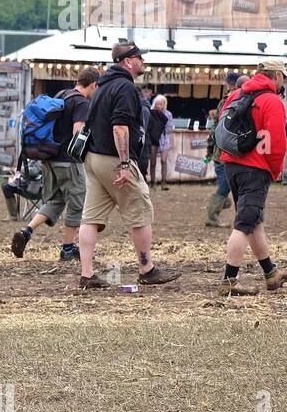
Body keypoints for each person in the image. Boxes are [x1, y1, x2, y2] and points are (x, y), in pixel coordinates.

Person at [76, 42, 179, 289]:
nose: (143, 61)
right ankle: (147, 269)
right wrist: (124, 163)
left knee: (90, 217)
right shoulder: (125, 88)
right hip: (114, 159)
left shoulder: (102, 85)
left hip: (93, 157)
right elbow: (120, 127)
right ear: (128, 62)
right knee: (140, 211)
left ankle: (87, 275)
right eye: (139, 58)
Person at [216, 60, 287, 295]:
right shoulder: (271, 100)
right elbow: (277, 142)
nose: (283, 80)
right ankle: (229, 281)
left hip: (232, 165)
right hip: (256, 168)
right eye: (283, 75)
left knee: (253, 221)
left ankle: (271, 273)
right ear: (274, 76)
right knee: (244, 224)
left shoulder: (237, 95)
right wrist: (275, 169)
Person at [11, 68, 98, 261]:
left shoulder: (63, 95)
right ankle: (67, 247)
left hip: (49, 158)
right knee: (78, 201)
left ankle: (26, 232)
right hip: (68, 161)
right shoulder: (81, 102)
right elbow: (78, 133)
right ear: (93, 84)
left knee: (56, 200)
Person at [206, 73, 246, 226]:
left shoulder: (228, 99)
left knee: (227, 184)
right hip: (225, 150)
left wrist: (210, 146)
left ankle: (220, 202)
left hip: (222, 149)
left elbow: (215, 125)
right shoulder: (234, 99)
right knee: (226, 185)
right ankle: (212, 215)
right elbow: (219, 125)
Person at [146, 95, 173, 191]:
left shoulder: (168, 114)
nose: (159, 106)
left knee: (163, 161)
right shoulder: (150, 113)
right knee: (152, 162)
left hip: (164, 139)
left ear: (164, 104)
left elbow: (169, 128)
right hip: (153, 139)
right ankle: (153, 182)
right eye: (157, 104)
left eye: (161, 104)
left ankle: (164, 182)